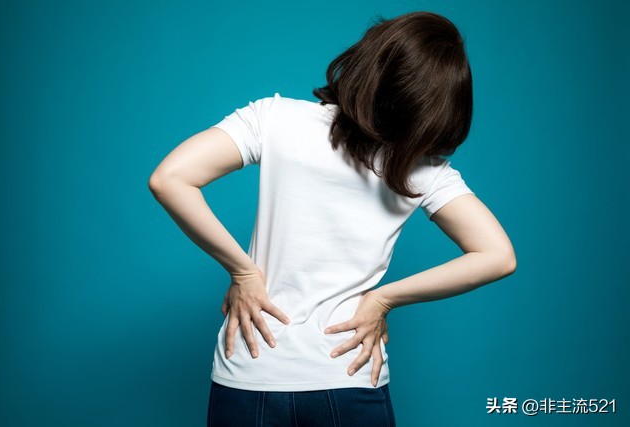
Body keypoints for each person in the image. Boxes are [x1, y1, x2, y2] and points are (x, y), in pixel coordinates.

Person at [148, 10, 516, 427]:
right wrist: (383, 299)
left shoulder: (275, 118)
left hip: (251, 367)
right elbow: (498, 256)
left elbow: (169, 179)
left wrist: (243, 272)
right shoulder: (423, 170)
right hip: (348, 372)